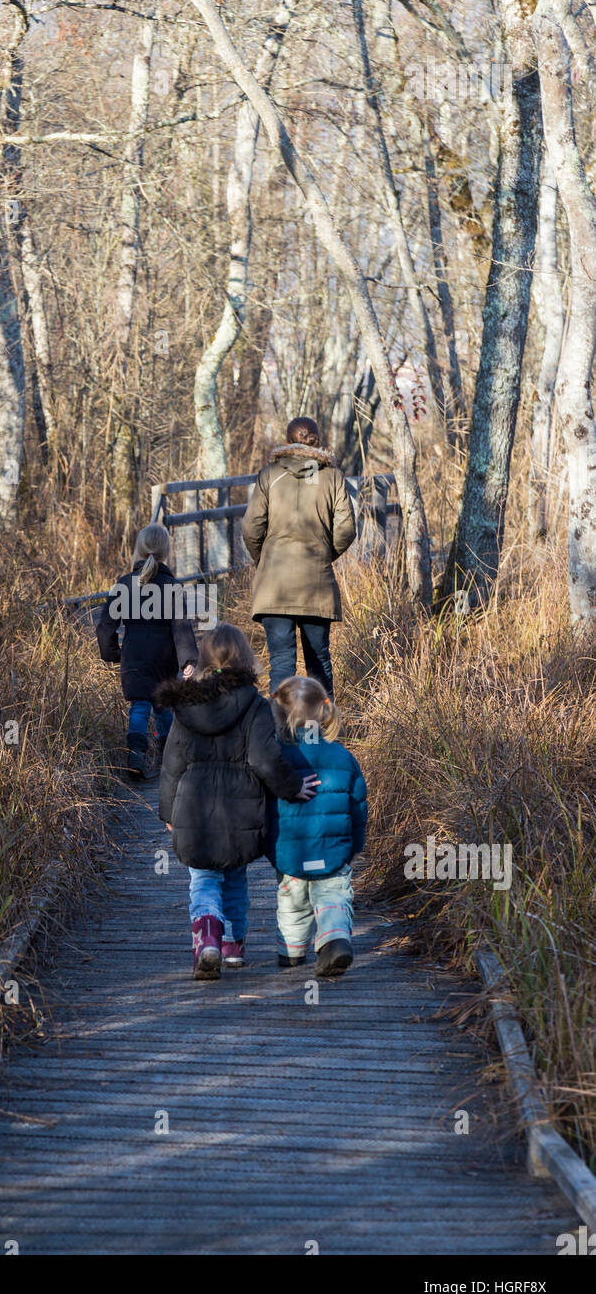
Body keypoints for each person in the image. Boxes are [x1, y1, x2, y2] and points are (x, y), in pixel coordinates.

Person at [156, 623, 318, 979]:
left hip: (193, 810)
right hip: (240, 812)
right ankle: (231, 947)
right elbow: (265, 760)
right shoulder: (256, 706)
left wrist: (167, 811)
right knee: (234, 879)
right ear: (244, 658)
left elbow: (172, 764)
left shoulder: (184, 708)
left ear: (203, 660)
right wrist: (292, 788)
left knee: (203, 880)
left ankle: (207, 938)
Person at [241, 416, 356, 697]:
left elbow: (250, 527)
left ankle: (281, 735)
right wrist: (322, 555)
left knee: (281, 664)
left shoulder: (269, 474)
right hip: (315, 583)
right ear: (317, 438)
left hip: (274, 584)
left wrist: (264, 561)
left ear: (287, 440)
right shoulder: (332, 477)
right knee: (319, 664)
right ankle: (323, 732)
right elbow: (347, 529)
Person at [266, 676, 367, 978]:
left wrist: (268, 846)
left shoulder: (276, 760)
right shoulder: (344, 757)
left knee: (292, 902)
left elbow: (266, 809)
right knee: (334, 896)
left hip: (290, 852)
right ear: (324, 711)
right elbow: (358, 807)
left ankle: (292, 952)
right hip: (334, 850)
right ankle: (335, 939)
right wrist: (354, 846)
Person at [96, 524, 197, 776]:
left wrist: (112, 654)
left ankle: (136, 755)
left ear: (139, 549)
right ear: (166, 551)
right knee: (163, 707)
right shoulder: (172, 586)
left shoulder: (124, 584)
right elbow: (181, 628)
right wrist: (187, 660)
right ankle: (168, 757)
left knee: (140, 707)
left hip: (134, 659)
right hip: (164, 660)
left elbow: (105, 626)